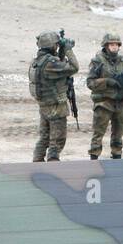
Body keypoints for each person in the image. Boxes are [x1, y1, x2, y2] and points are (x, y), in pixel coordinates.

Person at [85, 32, 123, 160]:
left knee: (118, 134)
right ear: (106, 46)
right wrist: (107, 82)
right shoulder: (98, 61)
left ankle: (117, 156)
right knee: (98, 133)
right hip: (104, 103)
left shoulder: (122, 61)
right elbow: (90, 83)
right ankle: (94, 158)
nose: (114, 47)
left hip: (120, 103)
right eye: (111, 44)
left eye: (116, 44)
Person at [28, 30, 78, 163]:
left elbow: (58, 71)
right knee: (57, 141)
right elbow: (74, 67)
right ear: (51, 46)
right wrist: (67, 50)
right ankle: (53, 166)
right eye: (56, 45)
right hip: (56, 107)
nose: (57, 47)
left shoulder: (37, 61)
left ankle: (37, 163)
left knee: (44, 138)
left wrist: (60, 53)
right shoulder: (50, 63)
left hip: (44, 106)